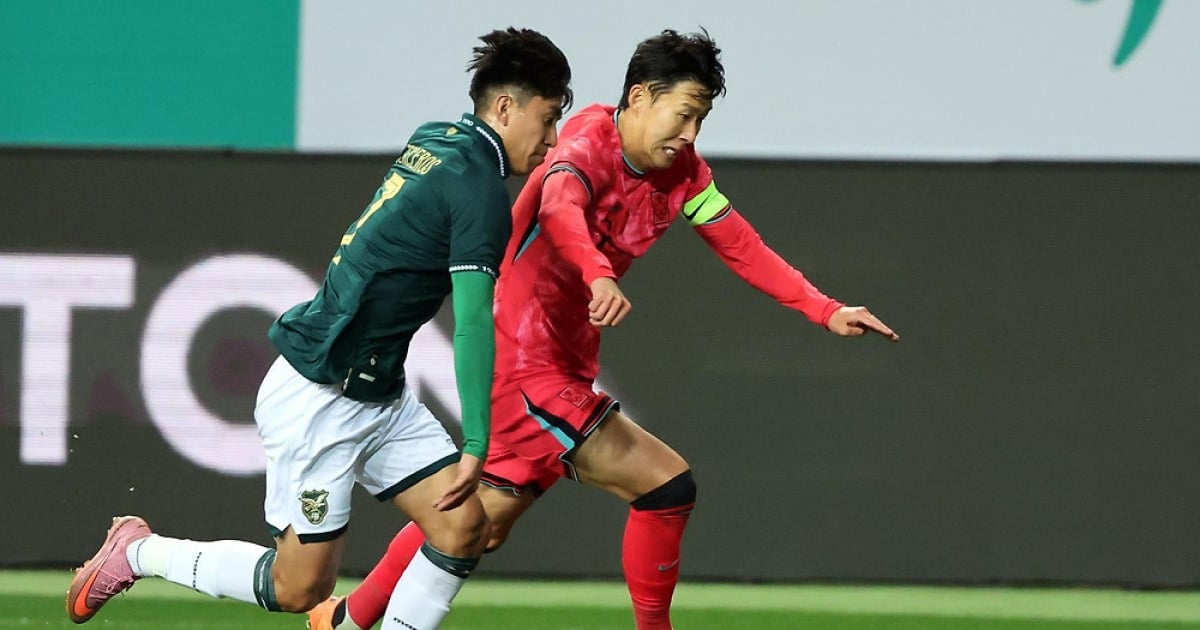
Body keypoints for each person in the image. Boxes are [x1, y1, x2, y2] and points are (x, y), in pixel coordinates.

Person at [308, 28, 899, 630]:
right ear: (640, 97)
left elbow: (740, 244)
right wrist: (597, 274)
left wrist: (825, 308)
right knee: (667, 487)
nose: (691, 134)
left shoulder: (684, 174)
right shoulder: (584, 145)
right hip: (520, 361)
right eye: (686, 114)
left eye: (702, 119)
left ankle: (345, 618)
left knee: (474, 524)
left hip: (560, 362)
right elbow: (561, 209)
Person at [65, 27, 573, 630]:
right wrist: (476, 443)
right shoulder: (480, 191)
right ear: (505, 107)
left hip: (379, 392)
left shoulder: (437, 138)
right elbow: (469, 325)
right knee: (299, 587)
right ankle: (139, 551)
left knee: (463, 527)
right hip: (320, 397)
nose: (552, 139)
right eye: (546, 119)